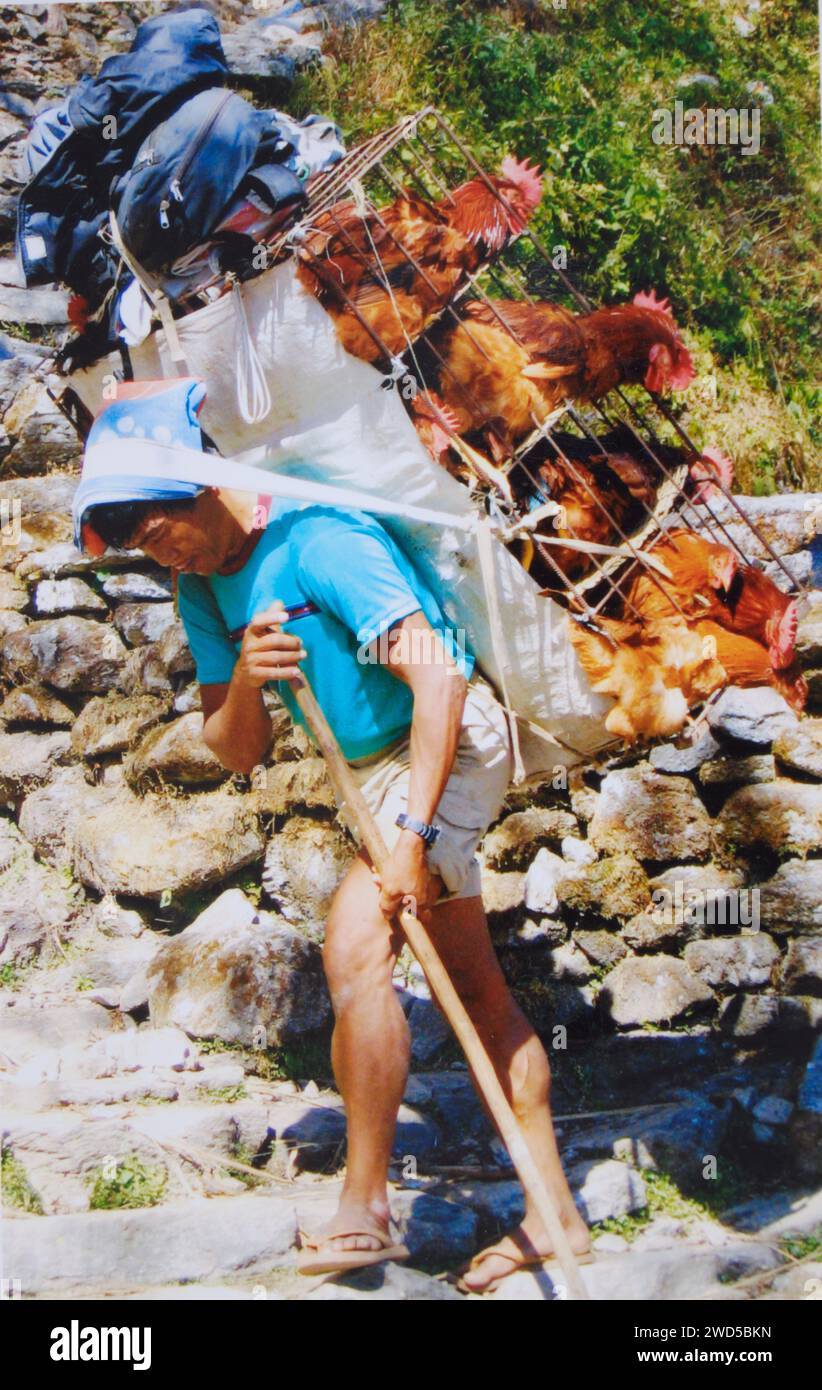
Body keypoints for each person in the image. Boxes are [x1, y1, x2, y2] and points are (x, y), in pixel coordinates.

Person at [79, 482, 593, 1292]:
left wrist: (413, 838)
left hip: (451, 748)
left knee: (355, 948)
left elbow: (440, 682)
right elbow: (237, 751)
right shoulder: (200, 588)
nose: (164, 553)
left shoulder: (320, 544)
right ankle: (555, 1213)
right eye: (146, 549)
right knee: (474, 986)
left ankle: (365, 1209)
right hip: (376, 774)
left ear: (202, 490)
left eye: (160, 529)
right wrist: (248, 677)